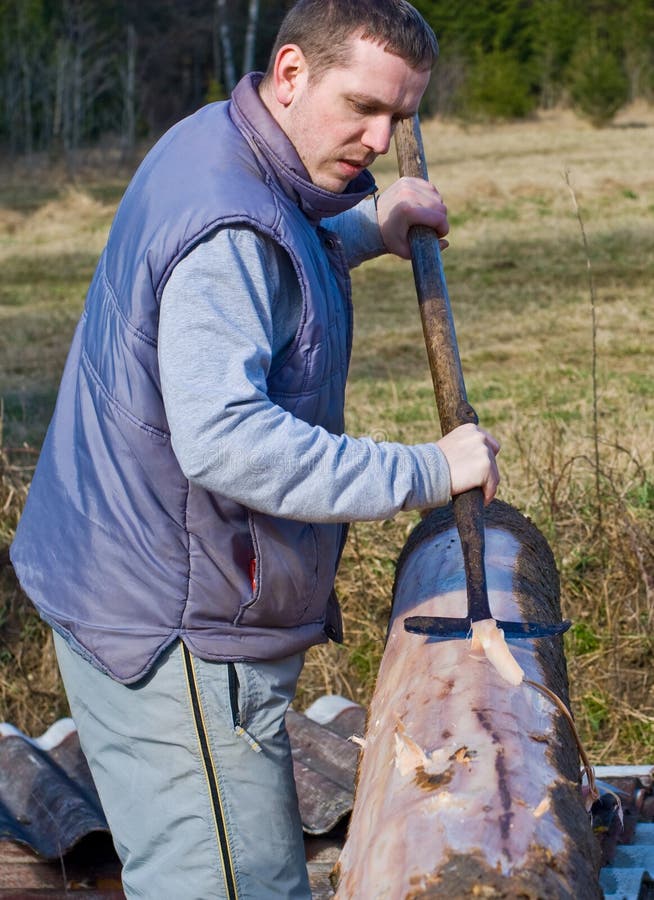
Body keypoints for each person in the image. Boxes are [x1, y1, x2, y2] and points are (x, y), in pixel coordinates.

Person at [11, 0, 500, 896]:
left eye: (401, 116)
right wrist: (431, 469)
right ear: (289, 73)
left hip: (130, 572)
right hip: (177, 630)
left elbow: (266, 268)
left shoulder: (224, 143)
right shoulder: (230, 221)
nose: (382, 140)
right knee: (237, 883)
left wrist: (363, 227)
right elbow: (229, 441)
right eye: (363, 107)